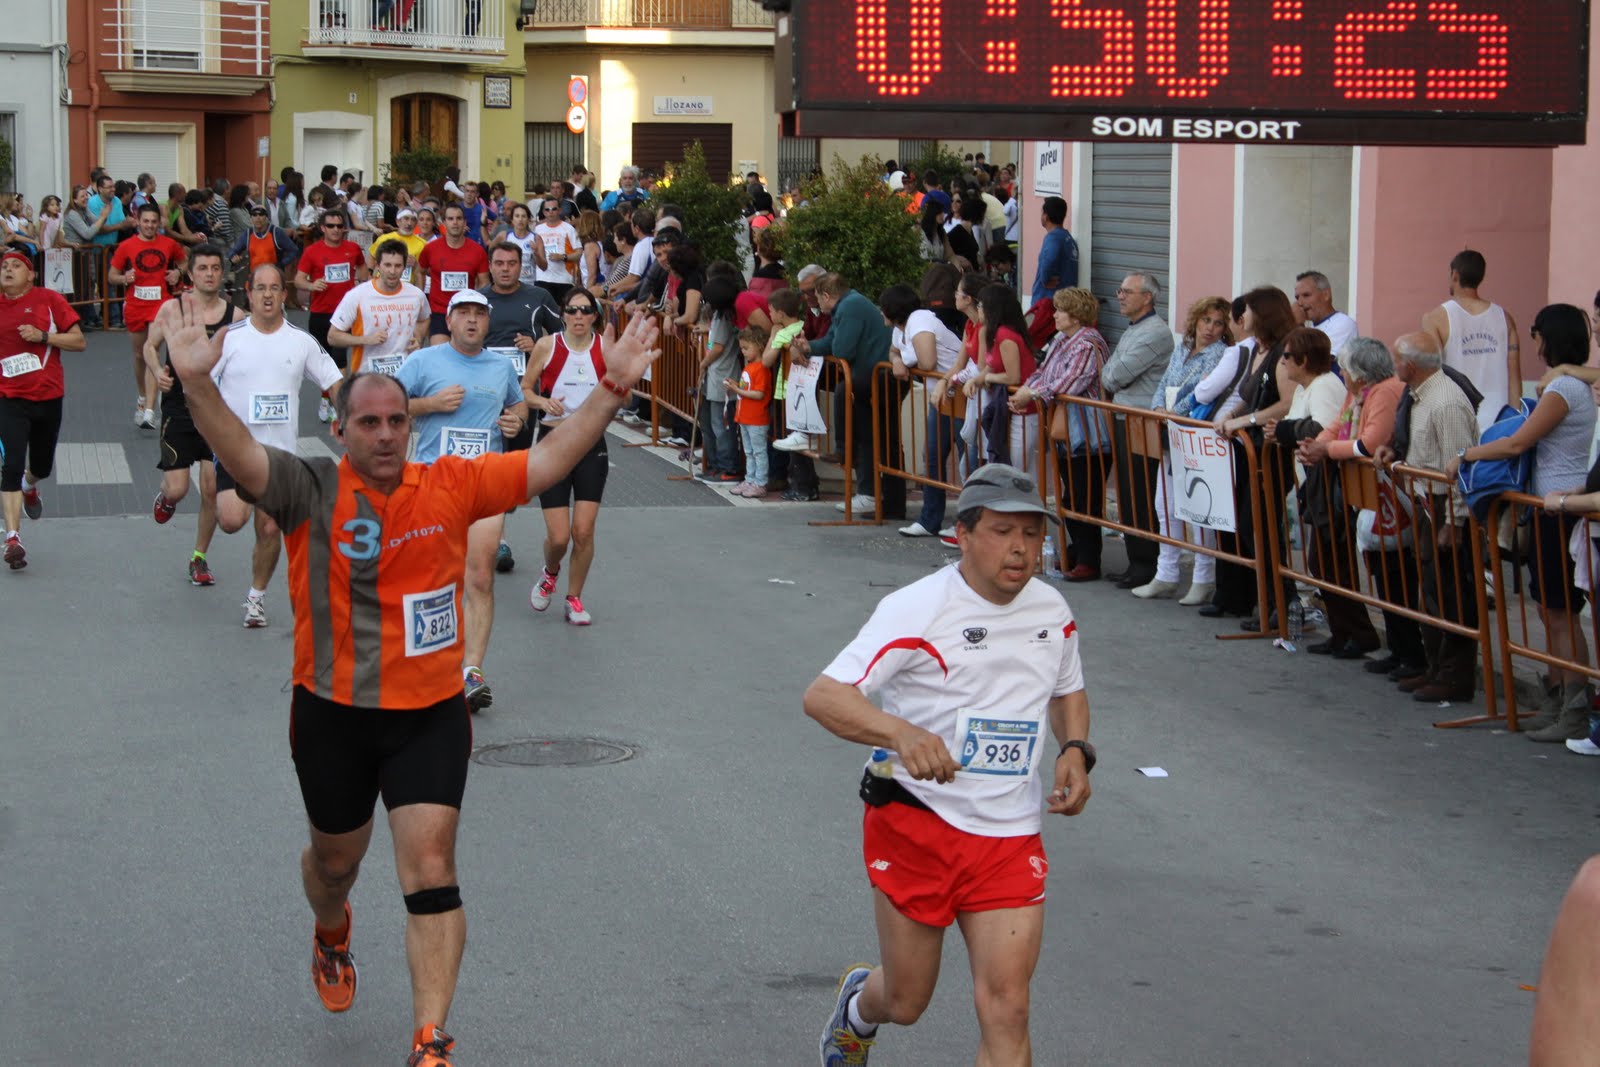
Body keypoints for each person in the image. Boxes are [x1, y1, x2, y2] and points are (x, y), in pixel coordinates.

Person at [159, 283, 660, 1067]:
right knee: (335, 863)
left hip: (429, 713)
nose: (388, 433)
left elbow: (550, 459)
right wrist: (195, 383)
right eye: (369, 422)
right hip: (332, 713)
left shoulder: (451, 484)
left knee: (431, 867)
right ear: (340, 428)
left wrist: (614, 385)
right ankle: (332, 928)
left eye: (397, 420)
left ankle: (431, 1040)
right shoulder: (308, 487)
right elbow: (241, 454)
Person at [804, 463, 1094, 1067]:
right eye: (1002, 532)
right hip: (918, 822)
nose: (1020, 549)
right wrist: (900, 732)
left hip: (1009, 834)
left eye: (1032, 534)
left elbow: (1067, 689)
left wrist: (1075, 749)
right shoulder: (918, 608)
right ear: (962, 535)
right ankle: (859, 1009)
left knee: (1008, 1007)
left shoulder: (1051, 609)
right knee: (907, 1000)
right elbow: (825, 696)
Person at [1448, 304, 1595, 728]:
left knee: (1561, 613)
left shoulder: (1564, 388)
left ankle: (1574, 706)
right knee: (1550, 612)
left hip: (1559, 509)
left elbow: (1517, 443)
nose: (1533, 343)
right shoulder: (1568, 385)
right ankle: (1557, 697)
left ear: (1548, 338)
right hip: (1550, 506)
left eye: (1536, 335)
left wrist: (1467, 454)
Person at [394, 289, 528, 710]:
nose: (472, 321)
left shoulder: (500, 366)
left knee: (480, 577)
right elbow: (389, 407)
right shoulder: (423, 361)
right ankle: (425, 665)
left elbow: (519, 405)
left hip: (485, 484)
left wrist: (515, 420)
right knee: (431, 578)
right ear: (449, 321)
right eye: (464, 313)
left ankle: (471, 671)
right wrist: (430, 404)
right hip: (433, 483)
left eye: (479, 314)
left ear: (488, 322)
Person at [212, 264, 347, 628]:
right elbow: (201, 383)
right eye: (261, 288)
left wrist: (347, 417)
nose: (268, 295)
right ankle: (221, 492)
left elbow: (334, 380)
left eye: (274, 288)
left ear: (284, 295)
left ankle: (255, 599)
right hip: (236, 451)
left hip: (279, 456)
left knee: (270, 528)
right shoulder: (229, 338)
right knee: (230, 520)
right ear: (249, 294)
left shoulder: (300, 341)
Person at [1374, 332, 1479, 703]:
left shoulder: (1446, 401)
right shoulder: (1420, 394)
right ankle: (1436, 668)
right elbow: (1420, 447)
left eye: (1396, 360)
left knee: (1452, 594)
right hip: (1425, 501)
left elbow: (1458, 469)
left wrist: (1455, 522)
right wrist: (1393, 452)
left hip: (1443, 506)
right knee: (1432, 591)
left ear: (1410, 365)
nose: (1394, 366)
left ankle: (1454, 676)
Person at [521, 287, 618, 626]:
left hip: (591, 445)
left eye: (585, 310)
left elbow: (625, 394)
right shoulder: (547, 346)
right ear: (562, 314)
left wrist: (616, 391)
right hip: (553, 443)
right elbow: (526, 389)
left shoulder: (605, 348)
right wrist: (542, 402)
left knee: (584, 531)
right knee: (560, 537)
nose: (578, 316)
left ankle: (574, 598)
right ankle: (550, 572)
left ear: (594, 316)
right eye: (572, 310)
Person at [147, 244, 244, 585]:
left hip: (216, 410)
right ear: (190, 273)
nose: (209, 274)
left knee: (211, 488)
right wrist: (156, 370)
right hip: (179, 405)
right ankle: (166, 497)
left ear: (222, 273)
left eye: (215, 268)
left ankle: (199, 558)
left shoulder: (236, 317)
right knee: (178, 488)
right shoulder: (173, 309)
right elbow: (149, 345)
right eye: (202, 268)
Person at [1206, 286, 1298, 625]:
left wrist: (1246, 420)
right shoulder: (1257, 349)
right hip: (1247, 450)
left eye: (1247, 310)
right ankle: (1256, 599)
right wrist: (1231, 415)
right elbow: (1250, 394)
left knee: (1259, 527)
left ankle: (1284, 603)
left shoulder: (1284, 350)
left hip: (1269, 452)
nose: (1241, 316)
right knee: (1244, 525)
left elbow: (1286, 403)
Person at [1133, 296, 1231, 603]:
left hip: (1195, 435)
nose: (1210, 328)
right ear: (1195, 320)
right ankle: (1166, 573)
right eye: (1206, 320)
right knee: (1165, 504)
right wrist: (1157, 408)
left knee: (1199, 508)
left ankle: (1204, 576)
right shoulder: (1183, 347)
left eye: (1218, 323)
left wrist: (1175, 412)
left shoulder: (1220, 353)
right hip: (1170, 431)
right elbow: (1165, 381)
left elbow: (1204, 391)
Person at [1016, 286, 1111, 580]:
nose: (1055, 315)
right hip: (1066, 429)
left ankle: (1089, 559)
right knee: (1070, 496)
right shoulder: (1061, 340)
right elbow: (1043, 372)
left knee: (1085, 496)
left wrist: (1032, 394)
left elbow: (1070, 383)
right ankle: (1076, 551)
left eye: (1060, 310)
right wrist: (1027, 388)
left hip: (1088, 432)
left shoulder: (1088, 343)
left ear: (1076, 315)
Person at [0, 250, 86, 569]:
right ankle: (12, 538)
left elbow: (79, 342)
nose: (8, 270)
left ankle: (30, 485)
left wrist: (43, 336)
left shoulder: (49, 300)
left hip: (47, 396)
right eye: (4, 266)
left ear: (31, 274)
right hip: (8, 398)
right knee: (10, 466)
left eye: (16, 265)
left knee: (41, 466)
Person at [795, 273, 905, 519]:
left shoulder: (849, 307)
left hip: (879, 377)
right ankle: (872, 494)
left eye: (817, 298)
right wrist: (809, 346)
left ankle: (848, 455)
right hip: (874, 376)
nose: (816, 304)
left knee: (881, 438)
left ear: (826, 295)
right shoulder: (847, 305)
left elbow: (842, 349)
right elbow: (831, 341)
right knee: (872, 437)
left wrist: (826, 346)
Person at [1100, 272, 1174, 589]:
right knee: (1128, 492)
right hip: (1126, 417)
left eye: (1127, 291)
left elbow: (1114, 376)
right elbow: (1109, 371)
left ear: (1147, 297)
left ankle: (1145, 563)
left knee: (1140, 491)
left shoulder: (1156, 332)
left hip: (1142, 420)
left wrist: (1110, 375)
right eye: (1120, 290)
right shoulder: (1134, 329)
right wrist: (1110, 374)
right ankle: (1135, 561)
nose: (1120, 296)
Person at [879, 283, 962, 538]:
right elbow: (893, 350)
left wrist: (903, 362)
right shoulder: (900, 329)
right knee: (933, 455)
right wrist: (896, 360)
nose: (881, 313)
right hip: (940, 396)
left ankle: (968, 521)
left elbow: (927, 361)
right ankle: (930, 519)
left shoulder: (920, 320)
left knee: (967, 459)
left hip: (961, 393)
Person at [1423, 249, 1520, 435]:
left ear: (1454, 274)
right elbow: (1514, 377)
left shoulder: (1435, 318)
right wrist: (1516, 420)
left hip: (1456, 421)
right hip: (1499, 422)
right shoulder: (1505, 318)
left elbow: (1432, 374)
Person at [108, 203, 186, 429]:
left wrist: (178, 272)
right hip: (136, 305)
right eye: (146, 221)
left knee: (152, 350)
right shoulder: (126, 246)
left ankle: (150, 411)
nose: (150, 225)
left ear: (159, 223)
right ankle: (142, 396)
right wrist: (124, 278)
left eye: (154, 221)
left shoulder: (169, 244)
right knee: (140, 355)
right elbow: (112, 276)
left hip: (160, 305)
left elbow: (184, 261)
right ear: (138, 222)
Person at [295, 208, 369, 421]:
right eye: (331, 226)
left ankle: (339, 404)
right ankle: (326, 398)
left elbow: (363, 270)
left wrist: (360, 284)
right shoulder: (312, 252)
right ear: (322, 228)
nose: (336, 230)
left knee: (339, 360)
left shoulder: (352, 249)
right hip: (320, 313)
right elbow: (299, 279)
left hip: (344, 315)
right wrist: (311, 285)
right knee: (324, 362)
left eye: (339, 226)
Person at [326, 243, 429, 377]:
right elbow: (332, 337)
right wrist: (366, 340)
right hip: (367, 376)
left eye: (398, 266)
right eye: (387, 265)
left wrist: (418, 338)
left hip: (404, 374)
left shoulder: (416, 295)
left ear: (404, 267)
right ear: (378, 266)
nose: (392, 271)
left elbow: (424, 319)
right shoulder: (357, 295)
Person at [416, 204, 490, 345]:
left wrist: (478, 306)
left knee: (466, 351)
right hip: (439, 312)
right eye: (450, 219)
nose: (455, 223)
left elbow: (484, 283)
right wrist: (421, 298)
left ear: (464, 222)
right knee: (440, 352)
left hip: (466, 311)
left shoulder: (478, 251)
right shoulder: (431, 248)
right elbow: (420, 272)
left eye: (459, 218)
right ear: (443, 223)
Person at [724, 325, 773, 497]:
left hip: (756, 418)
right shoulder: (750, 367)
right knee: (750, 452)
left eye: (746, 348)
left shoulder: (761, 368)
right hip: (745, 417)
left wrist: (737, 389)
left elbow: (758, 394)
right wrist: (736, 386)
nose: (743, 352)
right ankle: (750, 479)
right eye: (742, 348)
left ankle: (760, 482)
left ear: (758, 346)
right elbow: (749, 389)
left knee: (758, 452)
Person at [228, 204, 299, 298]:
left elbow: (294, 250)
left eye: (261, 215)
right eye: (254, 215)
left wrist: (281, 264)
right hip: (255, 278)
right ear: (251, 218)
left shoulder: (276, 233)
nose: (258, 218)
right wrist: (233, 257)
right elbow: (233, 251)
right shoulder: (247, 234)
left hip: (274, 277)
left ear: (266, 218)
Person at [1293, 270, 1358, 359]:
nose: (1299, 303)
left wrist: (1298, 325)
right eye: (1297, 297)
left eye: (1306, 295)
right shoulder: (1311, 328)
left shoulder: (1343, 323)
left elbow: (1316, 361)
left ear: (1326, 295)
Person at [1031, 196, 1078, 308]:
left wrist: (1045, 279)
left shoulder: (1053, 238)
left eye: (1042, 213)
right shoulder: (1068, 239)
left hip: (1047, 303)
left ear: (1046, 216)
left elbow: (1050, 259)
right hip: (1063, 301)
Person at [369, 207, 429, 288]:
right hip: (382, 285)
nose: (409, 223)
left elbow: (426, 271)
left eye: (413, 220)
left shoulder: (423, 244)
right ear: (398, 221)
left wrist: (416, 264)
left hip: (407, 287)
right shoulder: (384, 239)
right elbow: (372, 258)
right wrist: (370, 276)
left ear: (416, 223)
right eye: (406, 219)